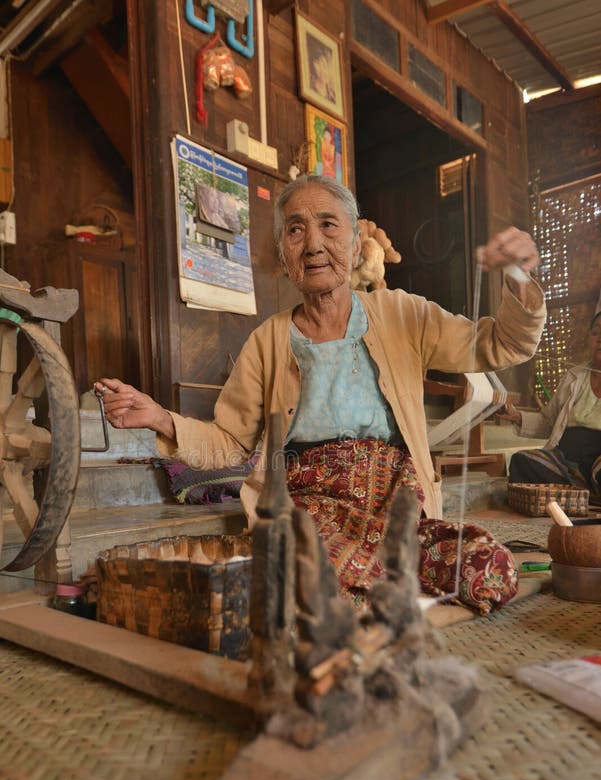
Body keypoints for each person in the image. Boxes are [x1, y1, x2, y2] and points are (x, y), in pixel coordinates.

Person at [98, 175, 545, 615]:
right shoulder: (267, 342)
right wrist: (160, 418)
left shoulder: (403, 313)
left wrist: (517, 274)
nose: (312, 243)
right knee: (306, 575)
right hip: (309, 511)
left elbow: (502, 344)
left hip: (399, 509)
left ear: (354, 246)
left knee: (491, 567)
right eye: (296, 229)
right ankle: (374, 592)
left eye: (328, 225)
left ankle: (375, 587)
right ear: (284, 253)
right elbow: (230, 443)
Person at [505, 310, 601, 496]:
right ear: (589, 338)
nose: (600, 339)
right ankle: (577, 495)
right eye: (596, 332)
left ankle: (586, 496)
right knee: (523, 460)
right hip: (565, 463)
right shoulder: (575, 376)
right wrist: (518, 417)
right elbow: (549, 420)